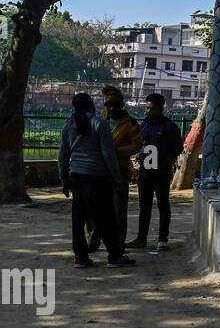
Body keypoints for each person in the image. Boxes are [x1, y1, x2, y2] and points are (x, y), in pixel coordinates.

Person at [58, 93, 134, 268]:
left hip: (76, 176)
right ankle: (114, 256)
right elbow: (108, 154)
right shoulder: (100, 124)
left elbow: (63, 156)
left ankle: (80, 257)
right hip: (97, 177)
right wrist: (116, 178)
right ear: (91, 106)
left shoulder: (68, 125)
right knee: (105, 217)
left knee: (78, 218)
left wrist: (64, 180)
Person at [87, 86, 142, 253]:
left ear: (121, 105)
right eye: (108, 106)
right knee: (96, 207)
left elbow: (137, 145)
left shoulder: (131, 123)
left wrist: (118, 151)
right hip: (100, 170)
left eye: (114, 105)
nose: (111, 109)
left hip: (119, 169)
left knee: (118, 208)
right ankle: (94, 240)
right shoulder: (101, 120)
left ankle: (119, 242)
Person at [133, 93, 183, 250]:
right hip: (145, 172)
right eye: (147, 108)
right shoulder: (144, 125)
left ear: (161, 109)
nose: (148, 111)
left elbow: (177, 149)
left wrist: (164, 157)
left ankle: (162, 239)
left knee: (163, 204)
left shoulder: (169, 127)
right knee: (144, 206)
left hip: (161, 172)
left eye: (152, 108)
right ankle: (141, 239)